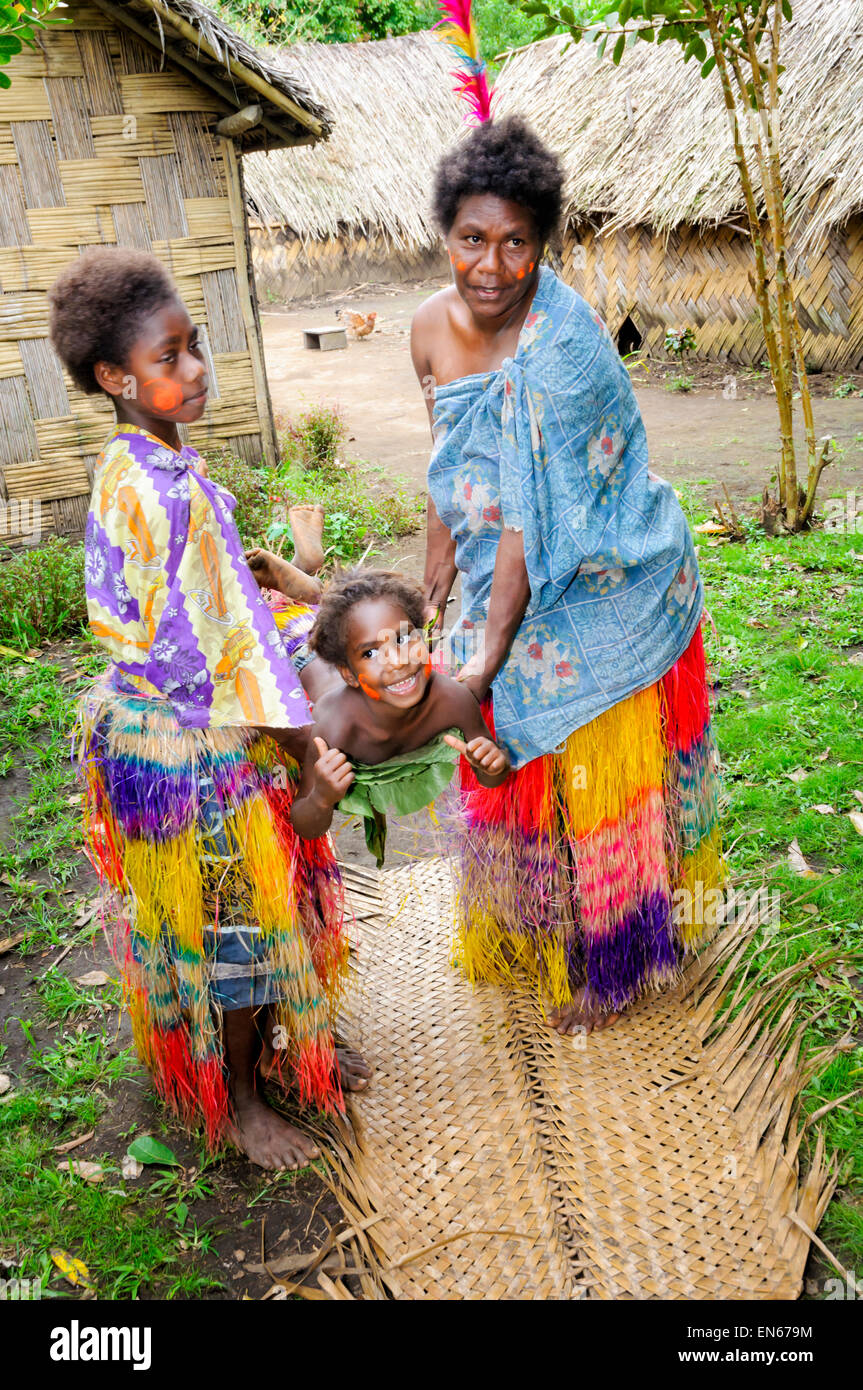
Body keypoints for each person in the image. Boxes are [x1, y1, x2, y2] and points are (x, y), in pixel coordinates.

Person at [48, 247, 368, 1172]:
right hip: (194, 744)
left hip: (178, 726)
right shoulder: (162, 490)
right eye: (169, 358)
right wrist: (304, 739)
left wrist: (262, 581)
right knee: (237, 925)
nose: (194, 372)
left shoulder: (140, 460)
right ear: (114, 376)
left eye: (193, 349)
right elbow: (216, 649)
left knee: (265, 907)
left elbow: (211, 608)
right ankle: (236, 1101)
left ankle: (279, 1052)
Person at [410, 115, 722, 1035]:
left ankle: (614, 963)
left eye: (517, 243)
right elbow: (446, 449)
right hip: (497, 572)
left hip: (605, 578)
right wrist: (435, 537)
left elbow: (526, 526)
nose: (493, 266)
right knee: (519, 776)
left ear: (544, 244)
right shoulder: (427, 328)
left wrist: (484, 656)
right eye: (473, 239)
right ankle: (532, 933)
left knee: (593, 786)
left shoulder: (563, 347)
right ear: (445, 235)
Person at [289, 568, 509, 864]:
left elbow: (492, 778)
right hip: (300, 658)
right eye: (370, 653)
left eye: (404, 638)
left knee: (330, 619)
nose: (397, 660)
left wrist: (492, 766)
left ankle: (308, 591)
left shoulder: (453, 701)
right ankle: (295, 584)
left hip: (337, 650)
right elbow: (305, 825)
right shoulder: (333, 727)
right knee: (290, 729)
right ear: (350, 676)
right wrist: (322, 798)